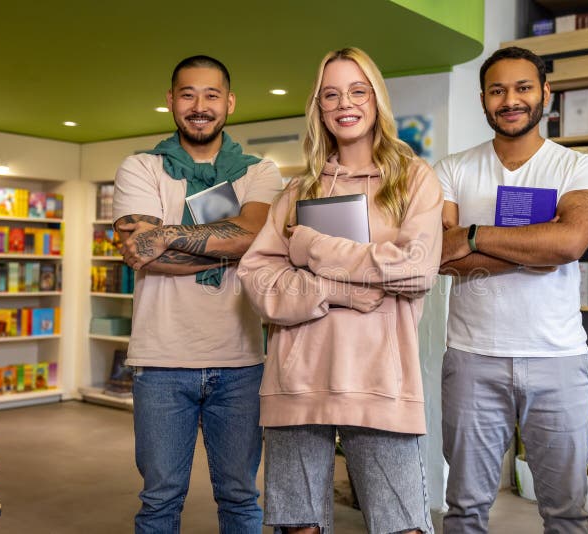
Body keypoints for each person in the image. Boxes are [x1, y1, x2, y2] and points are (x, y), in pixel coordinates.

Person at [238, 47, 442, 534]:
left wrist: (312, 246)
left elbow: (416, 270)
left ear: (376, 99)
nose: (344, 103)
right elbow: (257, 277)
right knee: (299, 527)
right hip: (297, 382)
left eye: (357, 91)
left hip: (380, 382)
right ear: (319, 107)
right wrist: (337, 291)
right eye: (331, 94)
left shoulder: (414, 180)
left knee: (403, 528)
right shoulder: (298, 190)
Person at [435, 46, 588, 533]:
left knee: (566, 512)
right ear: (484, 99)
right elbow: (436, 254)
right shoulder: (451, 169)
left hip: (558, 359)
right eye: (497, 90)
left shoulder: (578, 168)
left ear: (545, 93)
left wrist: (472, 235)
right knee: (465, 510)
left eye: (523, 87)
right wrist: (534, 248)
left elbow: (570, 242)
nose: (510, 100)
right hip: (472, 359)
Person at [112, 54, 282, 533]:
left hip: (242, 361)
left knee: (242, 499)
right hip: (161, 360)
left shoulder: (258, 171)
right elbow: (142, 254)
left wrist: (167, 234)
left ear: (229, 102)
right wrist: (233, 245)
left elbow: (255, 236)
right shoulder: (141, 167)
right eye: (188, 94)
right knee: (160, 501)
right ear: (171, 101)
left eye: (211, 95)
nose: (199, 105)